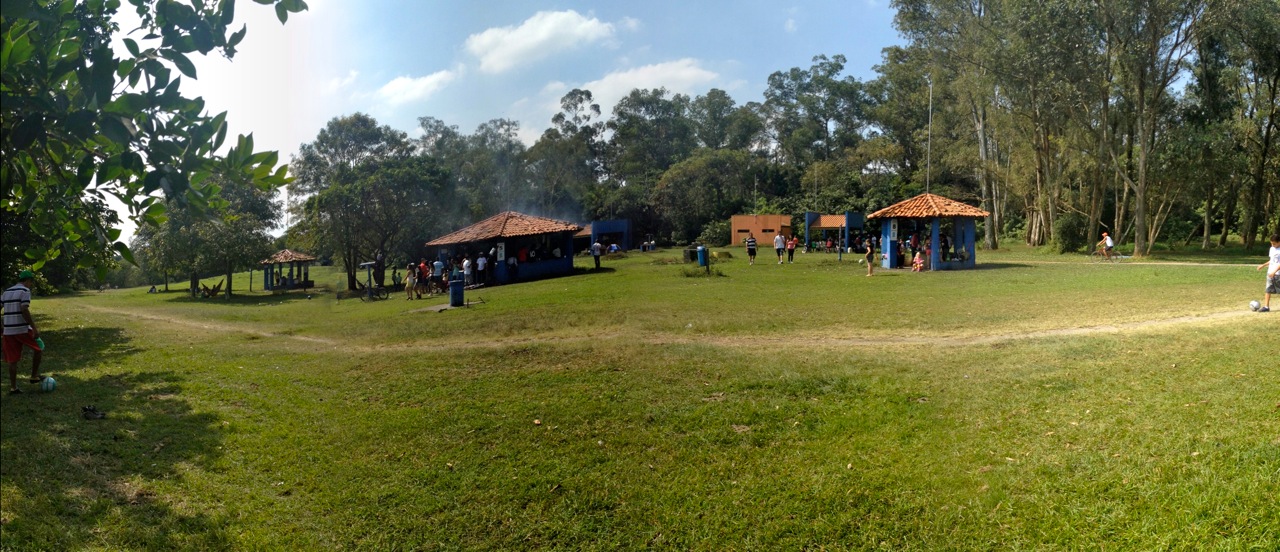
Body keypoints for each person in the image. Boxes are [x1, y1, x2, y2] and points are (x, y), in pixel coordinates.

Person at [3, 270, 44, 394]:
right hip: (22, 328)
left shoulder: (6, 292)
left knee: (12, 360)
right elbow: (24, 309)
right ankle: (34, 376)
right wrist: (34, 327)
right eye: (31, 282)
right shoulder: (25, 291)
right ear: (28, 281)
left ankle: (13, 387)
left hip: (8, 330)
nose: (30, 285)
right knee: (39, 348)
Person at [1255, 233, 1280, 313]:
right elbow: (1272, 260)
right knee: (1268, 290)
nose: (1272, 245)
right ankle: (1266, 307)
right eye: (1271, 243)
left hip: (1278, 274)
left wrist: (1274, 271)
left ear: (1279, 242)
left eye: (1274, 243)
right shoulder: (1272, 249)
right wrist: (1263, 265)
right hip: (1270, 273)